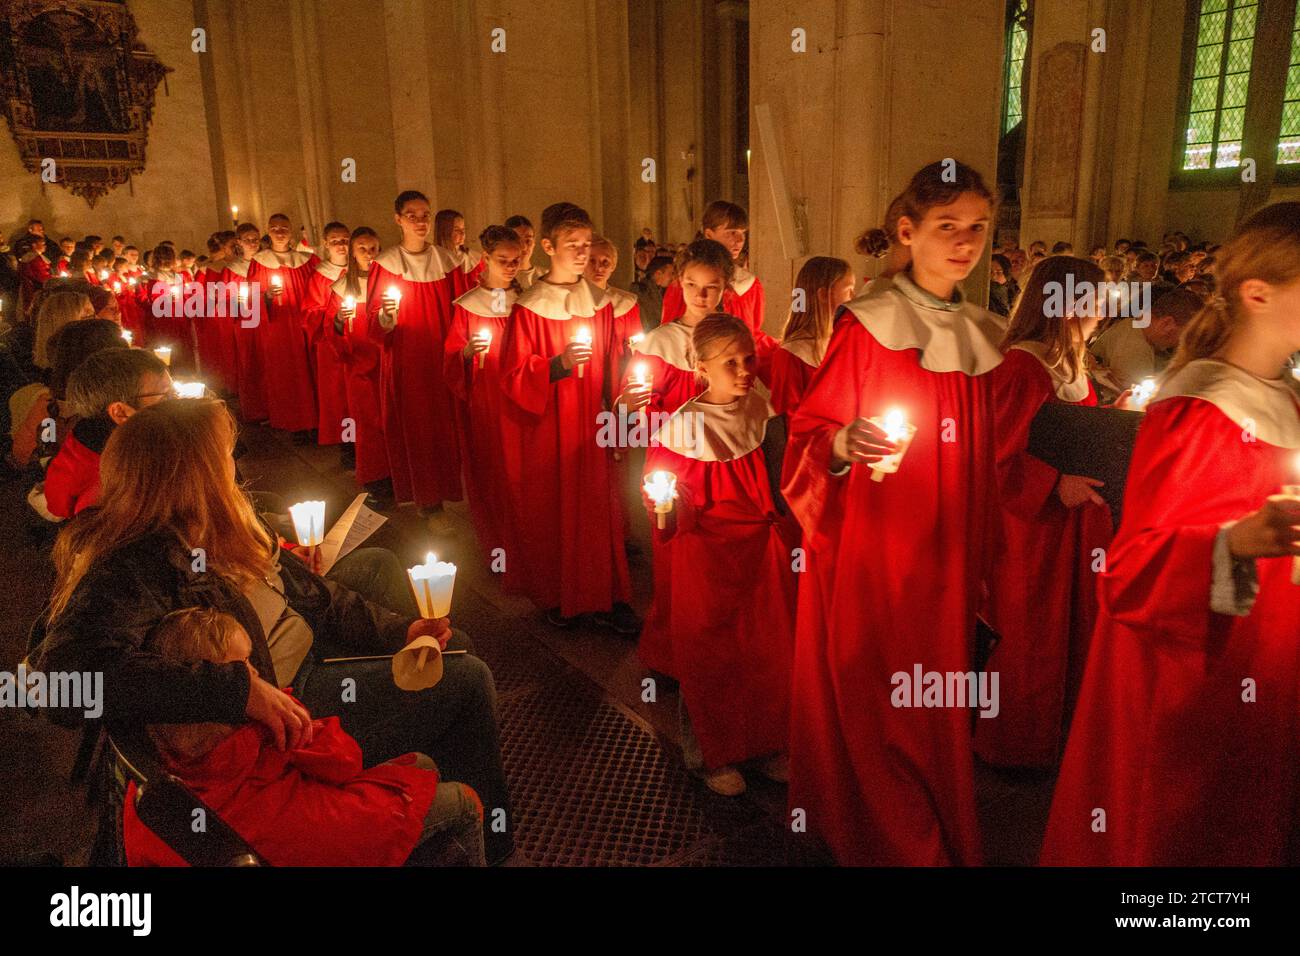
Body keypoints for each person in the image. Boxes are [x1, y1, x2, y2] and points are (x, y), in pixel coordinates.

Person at [31, 397, 514, 863]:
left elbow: (311, 593)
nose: (234, 464)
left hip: (295, 654)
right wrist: (237, 690)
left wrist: (401, 632)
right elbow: (60, 683)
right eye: (223, 454)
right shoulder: (142, 558)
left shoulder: (223, 521)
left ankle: (429, 814)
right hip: (283, 706)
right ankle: (484, 839)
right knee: (468, 681)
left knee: (415, 611)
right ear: (194, 474)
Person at [1041, 201, 1300, 866]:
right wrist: (1238, 542)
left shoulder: (1287, 400)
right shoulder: (1197, 410)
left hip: (1268, 668)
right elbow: (1130, 574)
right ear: (1259, 293)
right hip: (1191, 681)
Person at [783, 159, 1004, 865]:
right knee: (881, 696)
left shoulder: (981, 332)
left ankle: (931, 820)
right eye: (947, 227)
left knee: (933, 703)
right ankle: (895, 840)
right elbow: (811, 434)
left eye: (976, 227)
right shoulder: (869, 325)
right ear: (907, 232)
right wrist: (844, 443)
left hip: (948, 550)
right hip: (877, 549)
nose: (965, 241)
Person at [122, 607, 485, 867]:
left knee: (423, 765)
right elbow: (343, 762)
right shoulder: (261, 733)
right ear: (216, 689)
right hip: (310, 838)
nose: (256, 675)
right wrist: (290, 712)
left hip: (274, 826)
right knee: (464, 801)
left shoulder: (167, 764)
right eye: (245, 668)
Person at [641, 315, 799, 795]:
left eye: (748, 357)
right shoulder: (682, 428)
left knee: (767, 651)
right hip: (706, 558)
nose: (744, 369)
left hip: (760, 552)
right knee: (711, 657)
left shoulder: (763, 406)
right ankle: (711, 755)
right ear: (702, 366)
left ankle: (767, 744)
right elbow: (666, 497)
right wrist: (666, 503)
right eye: (729, 361)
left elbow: (780, 478)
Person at [974, 257, 1114, 769]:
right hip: (1029, 533)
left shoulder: (1069, 363)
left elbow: (1072, 433)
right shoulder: (1021, 367)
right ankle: (1016, 746)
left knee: (1068, 633)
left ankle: (1058, 739)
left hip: (1069, 528)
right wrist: (1054, 483)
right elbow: (991, 458)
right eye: (1096, 301)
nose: (1103, 312)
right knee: (1030, 639)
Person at [498, 201, 637, 633]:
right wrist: (555, 365)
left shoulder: (599, 304)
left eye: (585, 244)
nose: (581, 252)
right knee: (555, 512)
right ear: (546, 246)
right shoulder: (531, 307)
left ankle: (606, 596)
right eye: (571, 244)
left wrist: (621, 411)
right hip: (549, 428)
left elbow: (615, 364)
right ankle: (560, 596)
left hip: (592, 423)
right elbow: (512, 376)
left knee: (600, 511)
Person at [366, 191, 464, 525]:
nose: (420, 222)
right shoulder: (387, 265)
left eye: (425, 215)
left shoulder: (448, 262)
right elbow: (374, 319)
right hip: (408, 361)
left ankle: (452, 492)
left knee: (447, 427)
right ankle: (428, 501)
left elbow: (461, 309)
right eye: (412, 215)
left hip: (443, 356)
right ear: (398, 219)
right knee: (419, 429)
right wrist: (385, 319)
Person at [445, 225, 522, 561]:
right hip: (488, 399)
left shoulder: (528, 302)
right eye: (502, 260)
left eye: (516, 260)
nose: (510, 267)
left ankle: (527, 541)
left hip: (522, 395)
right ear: (486, 258)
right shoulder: (468, 306)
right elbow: (450, 356)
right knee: (493, 472)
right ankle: (499, 546)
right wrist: (465, 353)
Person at [44, 347, 171, 518]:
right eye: (167, 397)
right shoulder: (112, 489)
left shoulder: (94, 438)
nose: (179, 400)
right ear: (120, 412)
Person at [621, 239, 730, 422]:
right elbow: (632, 417)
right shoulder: (658, 344)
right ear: (680, 281)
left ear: (724, 286)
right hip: (671, 444)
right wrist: (627, 408)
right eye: (691, 284)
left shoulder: (733, 341)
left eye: (710, 287)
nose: (700, 296)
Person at [327, 227, 392, 504]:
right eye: (362, 248)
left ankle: (396, 475)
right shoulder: (342, 288)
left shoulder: (388, 282)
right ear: (353, 253)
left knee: (390, 422)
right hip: (359, 367)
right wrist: (340, 322)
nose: (369, 254)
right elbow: (332, 330)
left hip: (387, 364)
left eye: (374, 248)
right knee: (367, 424)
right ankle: (375, 479)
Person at [247, 214, 320, 438]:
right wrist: (266, 296)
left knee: (311, 369)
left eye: (284, 228)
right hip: (279, 326)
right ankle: (294, 423)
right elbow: (251, 298)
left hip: (305, 322)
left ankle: (316, 421)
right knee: (288, 373)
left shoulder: (308, 260)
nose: (279, 232)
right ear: (268, 231)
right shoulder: (259, 262)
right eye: (275, 228)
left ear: (291, 232)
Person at [770, 256, 854, 416]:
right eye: (849, 290)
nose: (854, 297)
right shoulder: (791, 356)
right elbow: (787, 419)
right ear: (824, 295)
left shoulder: (843, 342)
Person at [1089, 288, 1202, 400]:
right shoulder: (1134, 349)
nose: (1183, 344)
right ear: (1167, 324)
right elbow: (1138, 405)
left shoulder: (1136, 327)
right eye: (1187, 336)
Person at [304, 222, 352, 456]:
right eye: (335, 241)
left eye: (345, 240)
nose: (341, 245)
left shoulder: (361, 268)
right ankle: (347, 443)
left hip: (358, 342)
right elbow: (311, 312)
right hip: (331, 345)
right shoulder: (320, 276)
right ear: (326, 244)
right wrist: (333, 316)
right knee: (339, 398)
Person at [225, 222, 268, 422]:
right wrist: (237, 301)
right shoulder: (233, 268)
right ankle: (255, 409)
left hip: (267, 322)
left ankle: (273, 407)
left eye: (255, 239)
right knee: (250, 363)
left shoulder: (267, 263)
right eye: (248, 240)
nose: (252, 243)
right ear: (239, 242)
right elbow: (226, 298)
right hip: (246, 322)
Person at [437, 208, 483, 298]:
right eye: (457, 230)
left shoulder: (474, 258)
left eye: (463, 229)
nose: (462, 233)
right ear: (444, 231)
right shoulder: (437, 258)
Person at [631, 254, 673, 333]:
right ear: (658, 274)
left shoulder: (664, 291)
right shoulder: (640, 291)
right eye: (671, 273)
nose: (673, 278)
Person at [505, 215, 540, 289]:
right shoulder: (497, 280)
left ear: (534, 242)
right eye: (517, 241)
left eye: (528, 241)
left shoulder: (545, 277)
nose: (524, 247)